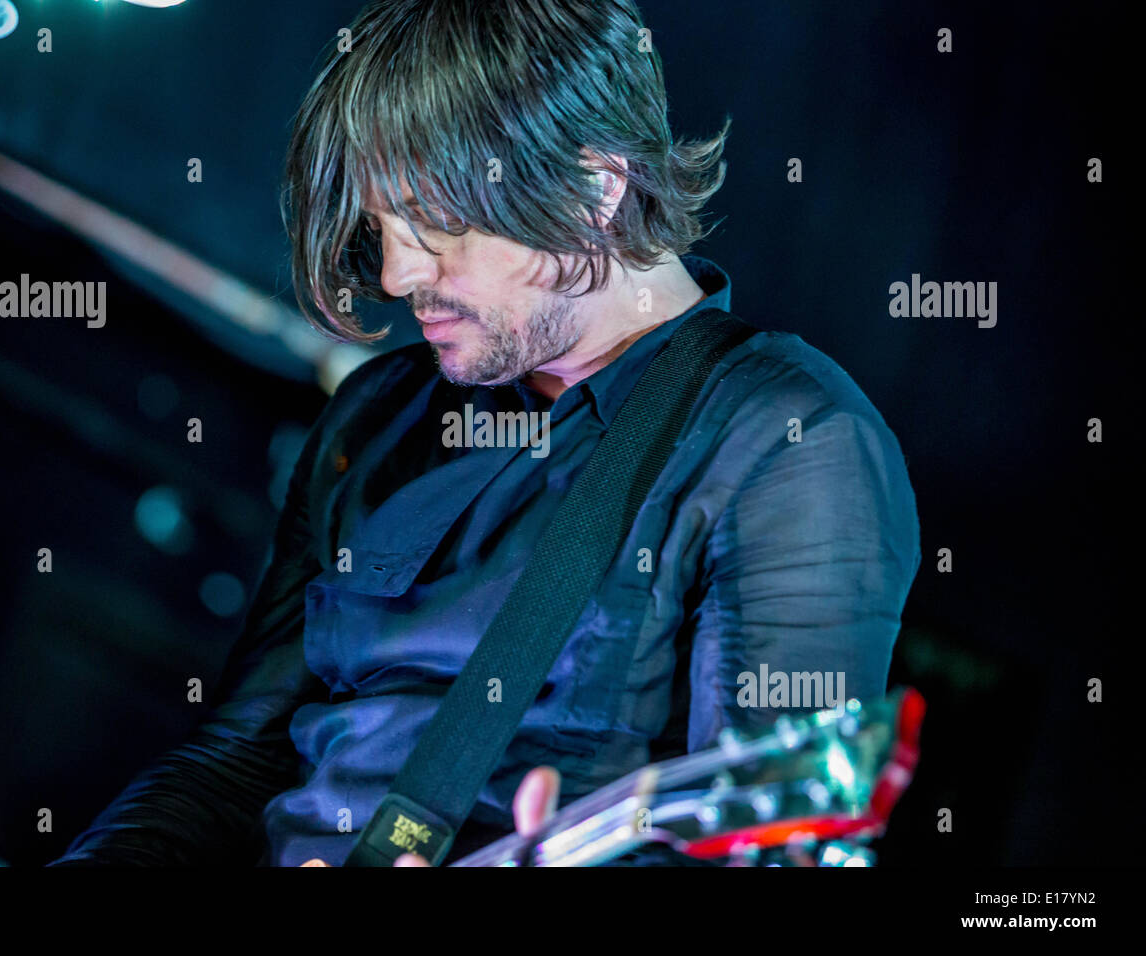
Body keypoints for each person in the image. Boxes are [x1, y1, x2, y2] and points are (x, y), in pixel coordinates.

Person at [51, 0, 920, 868]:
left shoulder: (788, 444)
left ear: (595, 185)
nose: (397, 274)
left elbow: (775, 856)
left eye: (435, 225)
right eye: (381, 229)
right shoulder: (376, 416)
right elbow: (235, 761)